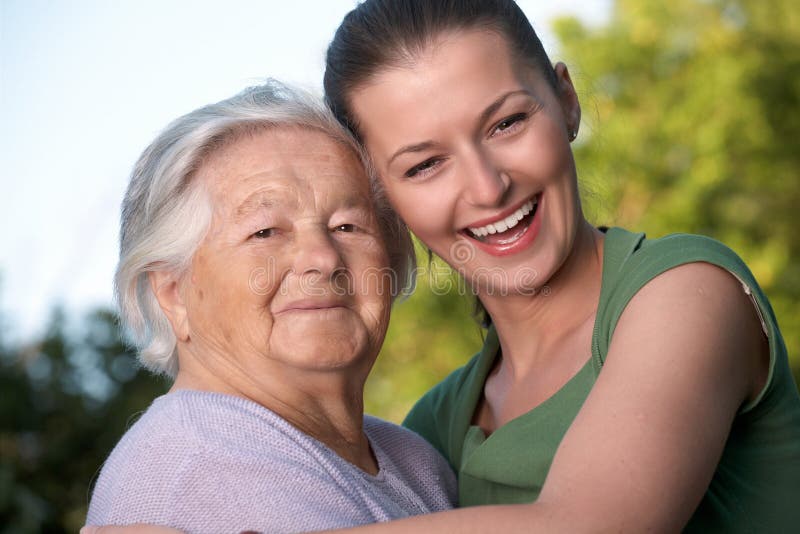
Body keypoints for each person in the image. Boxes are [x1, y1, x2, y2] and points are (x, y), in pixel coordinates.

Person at [319, 0, 800, 531]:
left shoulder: (688, 294)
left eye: (506, 123)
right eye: (426, 164)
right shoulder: (432, 429)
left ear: (566, 101)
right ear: (384, 200)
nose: (487, 187)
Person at [84, 80, 456, 533]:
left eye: (347, 225)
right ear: (172, 293)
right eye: (265, 232)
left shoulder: (413, 459)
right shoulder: (194, 469)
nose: (322, 257)